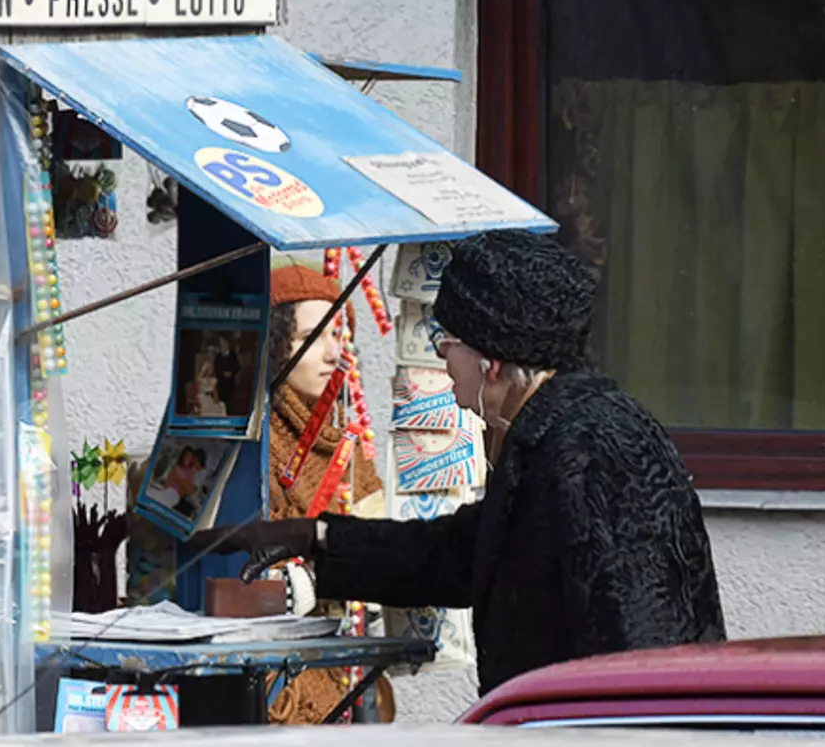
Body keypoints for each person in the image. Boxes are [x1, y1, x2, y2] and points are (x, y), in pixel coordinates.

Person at [193, 230, 726, 697]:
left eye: (446, 342)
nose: (442, 361)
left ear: (489, 362)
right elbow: (455, 555)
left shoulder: (594, 449)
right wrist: (314, 538)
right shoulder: (549, 438)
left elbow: (639, 646)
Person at [253, 263, 392, 724]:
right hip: (268, 685)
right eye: (313, 337)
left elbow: (384, 561)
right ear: (274, 346)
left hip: (346, 682)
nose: (332, 353)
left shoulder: (351, 450)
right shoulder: (248, 447)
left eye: (340, 336)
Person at [213, 336, 241, 413]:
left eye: (224, 343)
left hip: (230, 385)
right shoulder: (218, 357)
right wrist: (222, 374)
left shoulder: (233, 356)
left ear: (228, 344)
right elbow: (216, 369)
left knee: (231, 404)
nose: (223, 345)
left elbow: (237, 367)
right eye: (221, 343)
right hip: (221, 385)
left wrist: (231, 373)